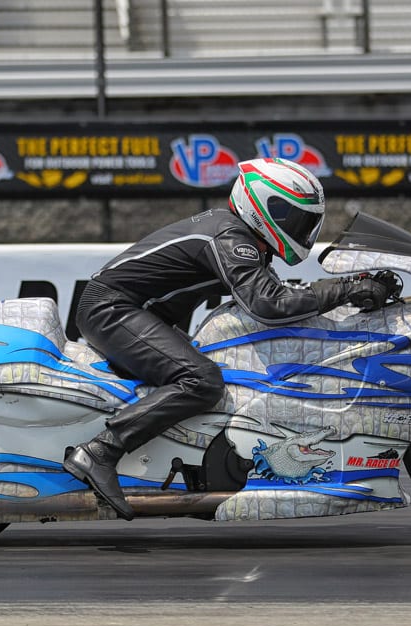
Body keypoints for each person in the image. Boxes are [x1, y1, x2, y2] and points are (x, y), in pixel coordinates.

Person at [63, 157, 391, 520]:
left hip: (132, 310)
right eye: (293, 217)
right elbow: (269, 304)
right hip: (112, 310)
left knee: (224, 372)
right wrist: (345, 288)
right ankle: (101, 451)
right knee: (202, 381)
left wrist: (352, 289)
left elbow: (279, 296)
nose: (301, 228)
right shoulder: (231, 236)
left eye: (306, 222)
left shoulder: (238, 236)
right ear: (263, 205)